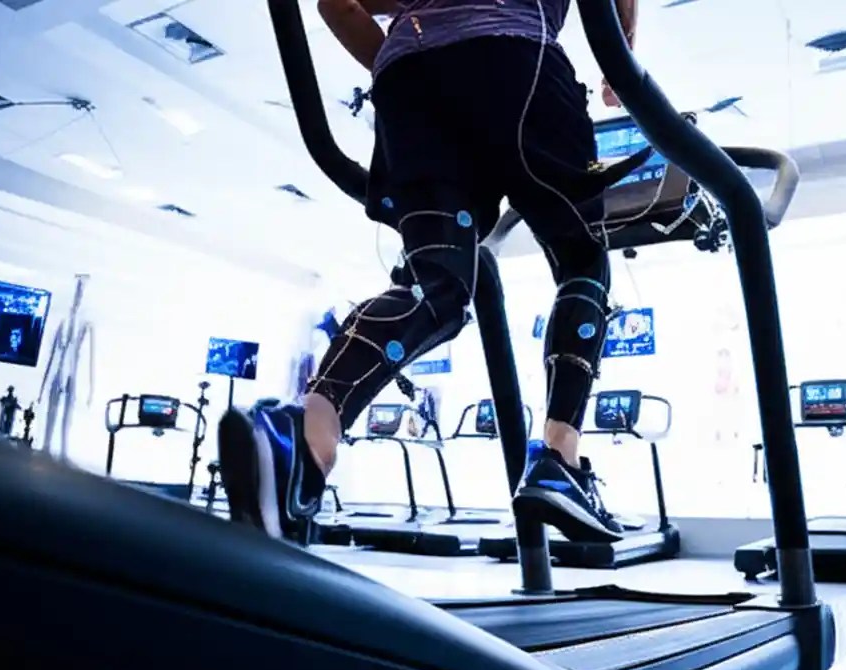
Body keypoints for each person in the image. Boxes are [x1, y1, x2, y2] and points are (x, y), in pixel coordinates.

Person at [216, 0, 640, 543]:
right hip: (517, 62)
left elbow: (335, 4)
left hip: (407, 84)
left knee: (435, 286)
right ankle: (559, 458)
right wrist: (621, 53)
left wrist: (409, 64)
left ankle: (305, 435)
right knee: (581, 259)